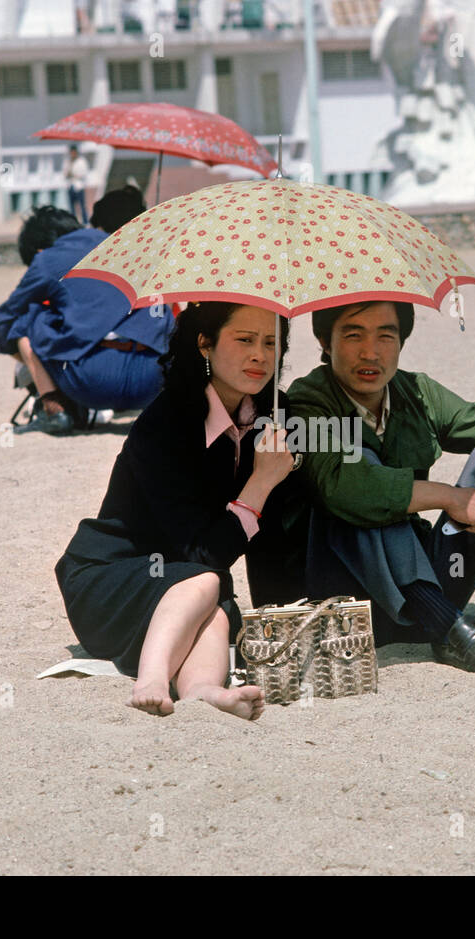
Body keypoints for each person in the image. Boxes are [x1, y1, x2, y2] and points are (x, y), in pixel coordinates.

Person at [286, 301, 475, 675]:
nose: (370, 352)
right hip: (350, 602)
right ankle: (448, 631)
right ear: (324, 341)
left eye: (386, 336)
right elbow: (349, 489)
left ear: (402, 342)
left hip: (428, 581)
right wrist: (451, 497)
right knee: (362, 475)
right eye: (353, 335)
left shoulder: (415, 392)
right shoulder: (306, 401)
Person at [54, 302, 305, 718]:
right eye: (244, 340)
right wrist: (261, 483)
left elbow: (272, 531)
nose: (260, 355)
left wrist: (275, 611)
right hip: (111, 577)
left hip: (190, 583)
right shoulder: (165, 423)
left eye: (271, 343)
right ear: (205, 343)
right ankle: (152, 679)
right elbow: (199, 552)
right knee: (206, 581)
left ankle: (204, 690)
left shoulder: (277, 414)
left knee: (219, 608)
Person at [0, 190, 170, 435]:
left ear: (39, 250)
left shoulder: (47, 259)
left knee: (26, 317)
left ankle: (54, 408)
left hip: (92, 383)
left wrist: (29, 360)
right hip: (154, 380)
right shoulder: (126, 242)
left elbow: (3, 322)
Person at [63, 146, 91, 225]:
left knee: (82, 205)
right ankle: (74, 222)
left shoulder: (81, 161)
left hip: (79, 186)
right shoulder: (68, 161)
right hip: (70, 185)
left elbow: (83, 173)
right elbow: (65, 173)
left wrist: (74, 174)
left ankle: (85, 222)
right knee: (72, 206)